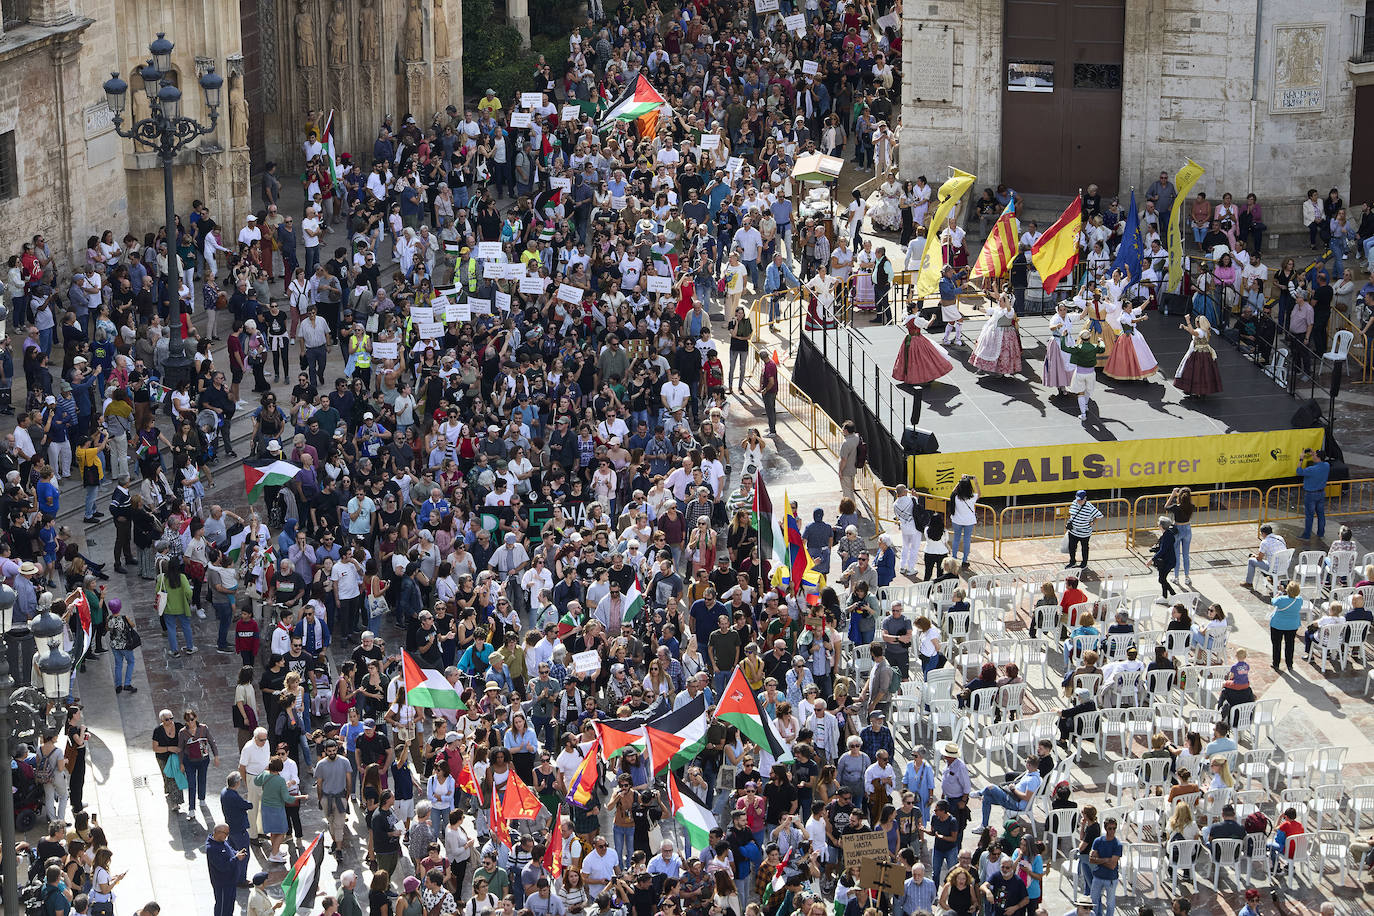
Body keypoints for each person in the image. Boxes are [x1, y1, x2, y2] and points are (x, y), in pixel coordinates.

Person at [891, 308, 952, 386]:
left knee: (908, 359)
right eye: (916, 307)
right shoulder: (917, 319)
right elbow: (927, 324)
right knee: (924, 358)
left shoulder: (906, 316)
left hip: (908, 339)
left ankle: (910, 376)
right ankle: (924, 377)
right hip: (917, 340)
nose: (917, 308)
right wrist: (933, 318)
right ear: (913, 309)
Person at [1173, 315, 1222, 397]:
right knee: (1204, 371)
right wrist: (1185, 327)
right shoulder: (1204, 331)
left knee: (1195, 371)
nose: (1195, 323)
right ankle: (1201, 389)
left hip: (1198, 353)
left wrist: (1188, 321)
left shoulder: (1200, 332)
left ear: (1198, 323)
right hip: (1204, 352)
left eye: (1196, 322)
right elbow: (1193, 331)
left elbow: (1193, 332)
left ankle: (1195, 389)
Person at [206, 824, 249, 916]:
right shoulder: (212, 848)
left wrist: (237, 853)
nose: (227, 836)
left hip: (231, 881)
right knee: (222, 908)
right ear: (218, 833)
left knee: (229, 907)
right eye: (225, 833)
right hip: (222, 884)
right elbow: (222, 867)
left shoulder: (222, 841)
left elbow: (230, 851)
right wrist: (236, 858)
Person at [1268, 580, 1304, 672]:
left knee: (1276, 644)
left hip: (1277, 625)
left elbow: (1273, 601)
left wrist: (1278, 594)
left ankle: (1276, 663)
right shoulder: (1299, 600)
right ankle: (1289, 664)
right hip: (1292, 626)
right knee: (1290, 645)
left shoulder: (1281, 599)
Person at [1295, 448, 1330, 541]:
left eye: (1314, 455)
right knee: (1321, 515)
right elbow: (1319, 462)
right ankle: (1321, 533)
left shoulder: (1311, 469)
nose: (1313, 456)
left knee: (1309, 516)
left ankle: (1306, 535)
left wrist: (1301, 459)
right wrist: (1314, 454)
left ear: (1318, 457)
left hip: (1311, 495)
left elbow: (1298, 471)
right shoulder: (1327, 465)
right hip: (1321, 493)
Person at [1064, 491, 1103, 570]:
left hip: (1084, 533)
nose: (1079, 501)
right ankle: (1072, 562)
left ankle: (1084, 564)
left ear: (1085, 499)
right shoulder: (1074, 503)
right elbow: (1071, 512)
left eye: (1081, 500)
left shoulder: (1089, 507)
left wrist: (1093, 523)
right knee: (1071, 547)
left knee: (1084, 548)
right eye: (1078, 499)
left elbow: (1099, 515)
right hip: (1073, 531)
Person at [1240, 524, 1287, 589]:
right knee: (1271, 559)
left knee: (1251, 561)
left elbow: (1259, 558)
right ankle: (1271, 578)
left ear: (1263, 533)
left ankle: (1249, 583)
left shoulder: (1265, 542)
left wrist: (1254, 556)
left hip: (1273, 568)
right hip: (1285, 566)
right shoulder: (1280, 538)